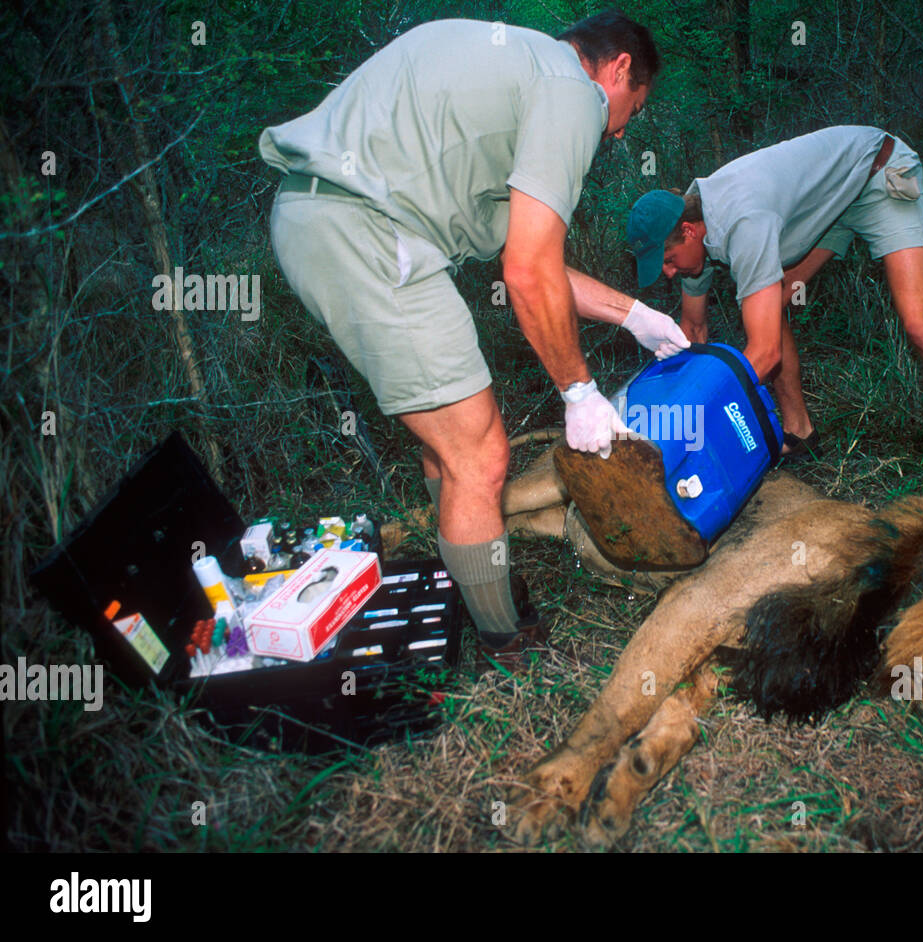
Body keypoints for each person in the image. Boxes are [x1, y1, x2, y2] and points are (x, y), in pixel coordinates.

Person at [260, 13, 687, 665]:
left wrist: (635, 316)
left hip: (332, 217)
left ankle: (473, 578)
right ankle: (507, 644)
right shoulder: (570, 88)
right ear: (618, 68)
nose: (623, 128)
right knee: (481, 454)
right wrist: (580, 392)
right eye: (635, 107)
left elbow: (530, 256)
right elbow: (526, 273)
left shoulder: (514, 75)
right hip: (363, 228)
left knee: (449, 447)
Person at [625, 126, 923, 508]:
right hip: (826, 208)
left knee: (920, 325)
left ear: (689, 232)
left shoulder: (743, 221)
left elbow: (765, 355)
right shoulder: (692, 227)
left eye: (669, 261)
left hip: (877, 173)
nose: (669, 274)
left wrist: (708, 416)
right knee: (769, 304)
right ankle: (799, 431)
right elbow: (693, 329)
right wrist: (679, 414)